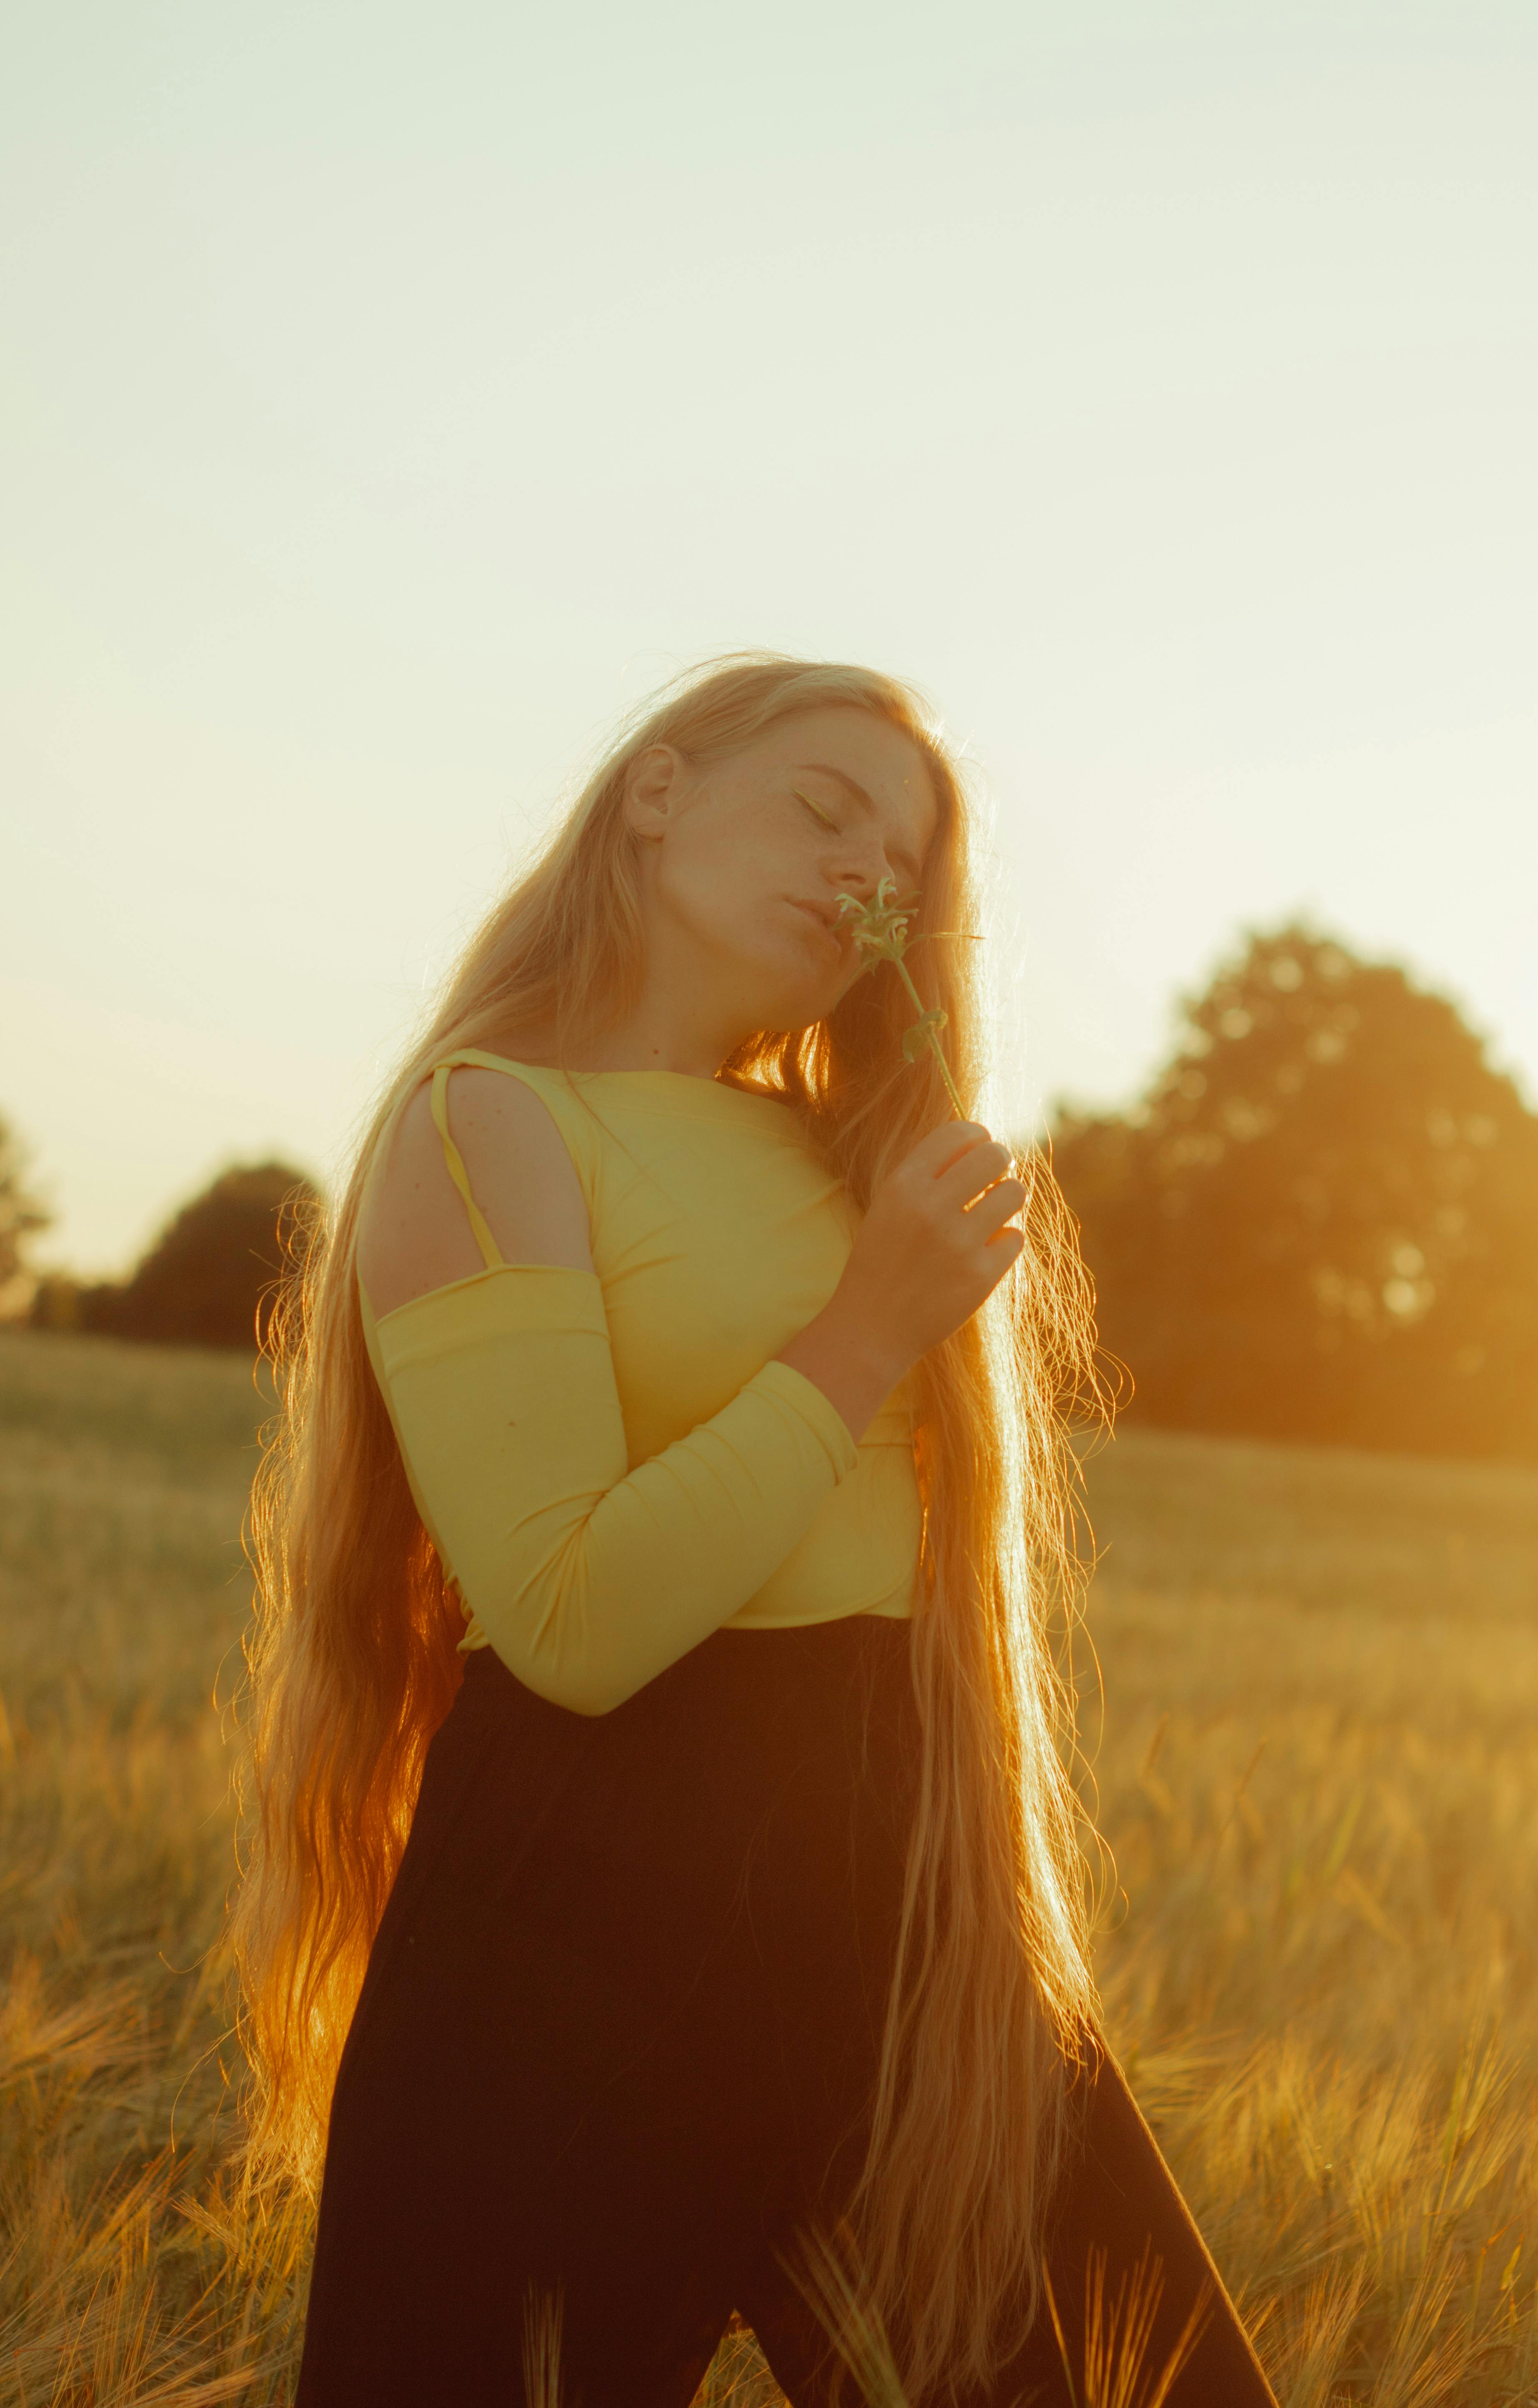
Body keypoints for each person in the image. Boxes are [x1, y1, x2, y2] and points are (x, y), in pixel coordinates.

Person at [233, 654, 1278, 2407]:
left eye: (903, 863)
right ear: (656, 790)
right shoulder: (486, 1124)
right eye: (821, 807)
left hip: (899, 1920)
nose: (865, 873)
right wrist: (871, 1325)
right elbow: (562, 1617)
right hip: (568, 1939)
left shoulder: (849, 1150)